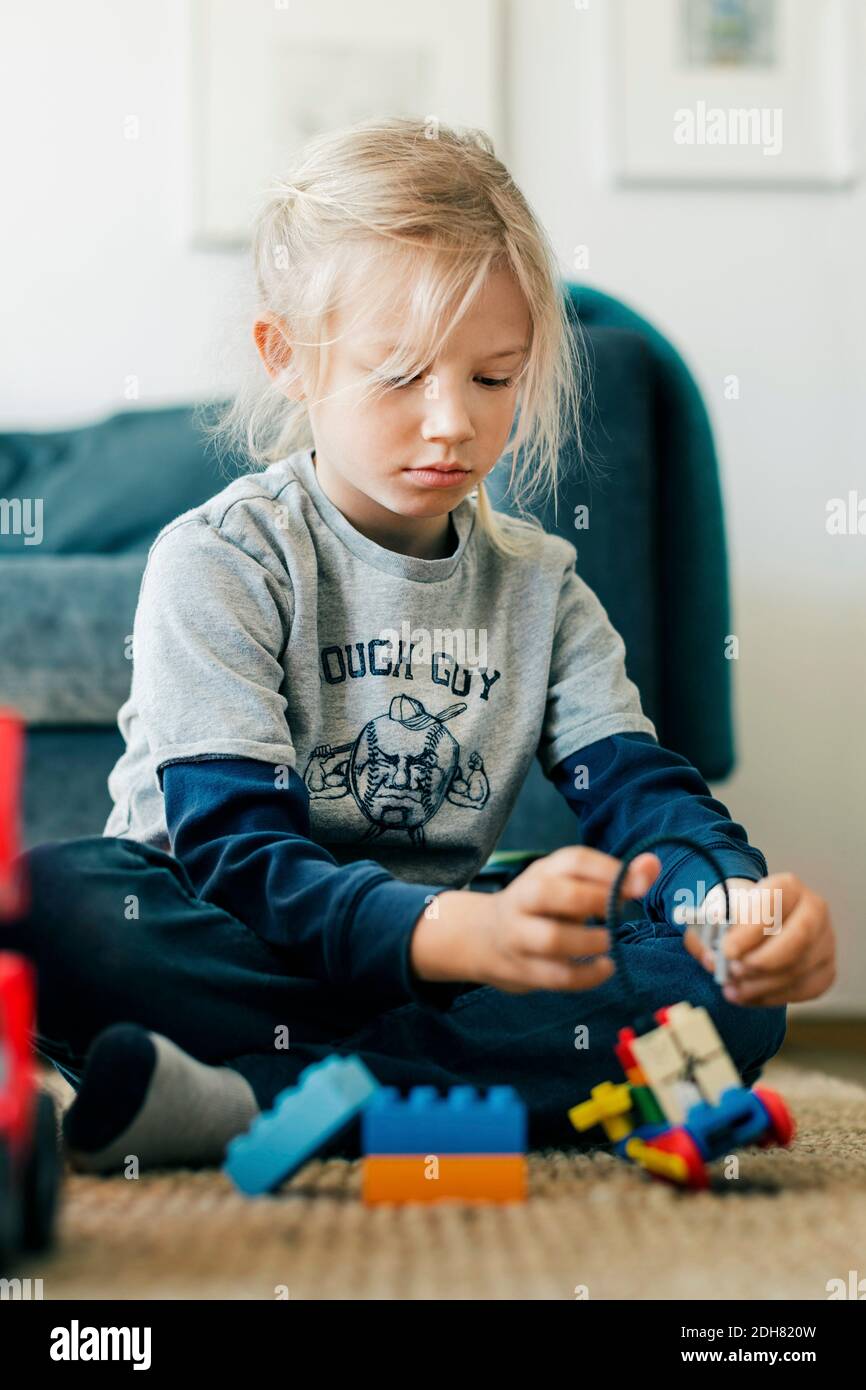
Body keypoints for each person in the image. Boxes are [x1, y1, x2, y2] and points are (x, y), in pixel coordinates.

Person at [6, 117, 833, 1173]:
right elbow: (234, 856)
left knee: (723, 995)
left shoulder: (541, 587)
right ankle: (424, 1085)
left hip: (443, 955)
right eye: (400, 375)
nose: (451, 423)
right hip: (243, 941)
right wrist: (452, 936)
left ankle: (253, 1101)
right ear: (289, 358)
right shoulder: (222, 559)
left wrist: (732, 905)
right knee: (63, 906)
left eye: (492, 379)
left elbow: (647, 801)